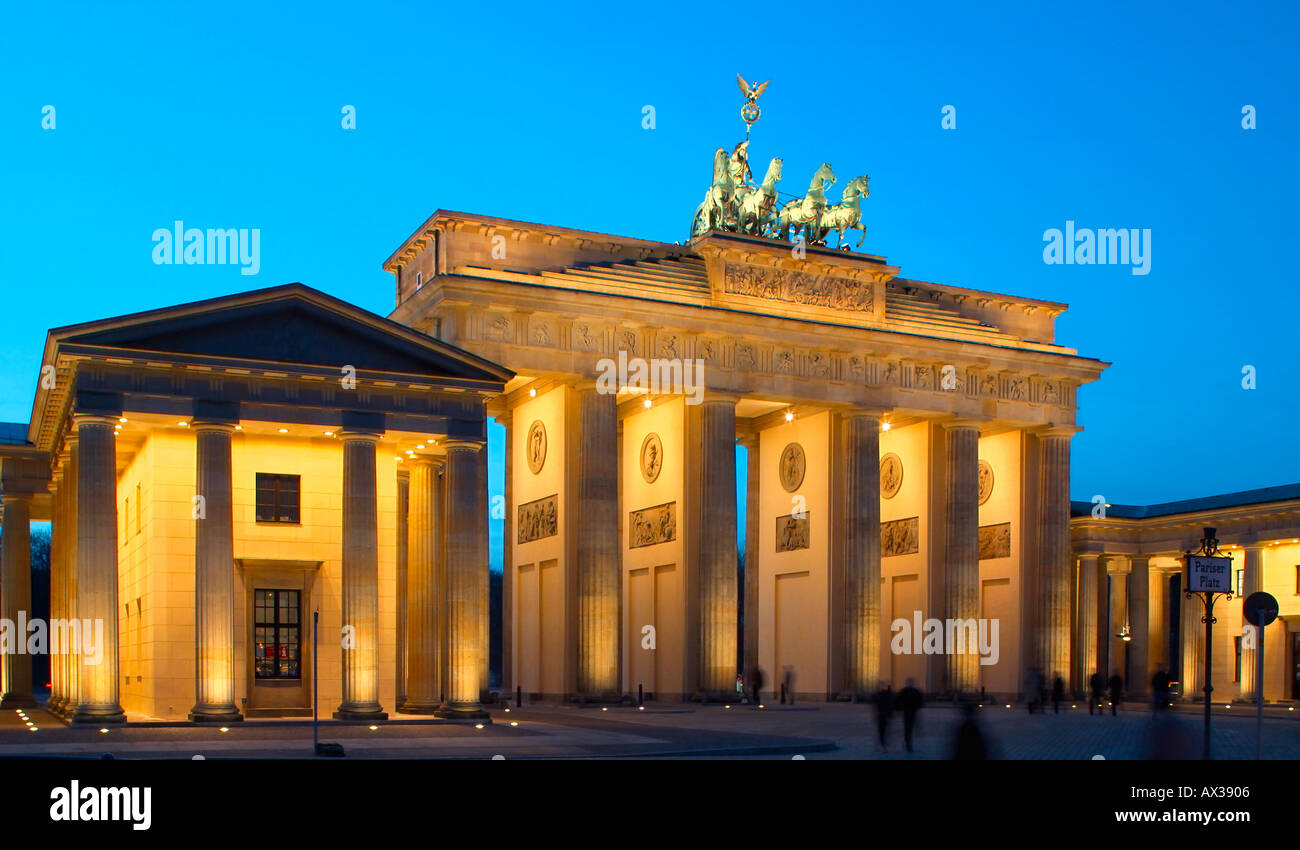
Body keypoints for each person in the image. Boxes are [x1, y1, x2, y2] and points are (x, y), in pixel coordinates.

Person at [895, 678, 923, 753]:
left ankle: (908, 742)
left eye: (911, 682)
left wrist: (917, 707)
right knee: (908, 728)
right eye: (909, 682)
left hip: (912, 712)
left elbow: (920, 701)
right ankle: (908, 743)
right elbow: (898, 701)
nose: (910, 684)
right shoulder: (904, 691)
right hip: (906, 713)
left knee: (909, 728)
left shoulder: (915, 692)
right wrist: (900, 708)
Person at [873, 684, 894, 752]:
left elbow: (877, 706)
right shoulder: (887, 696)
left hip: (882, 716)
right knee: (883, 731)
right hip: (884, 716)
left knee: (882, 731)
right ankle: (882, 744)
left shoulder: (880, 696)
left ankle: (880, 744)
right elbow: (889, 706)